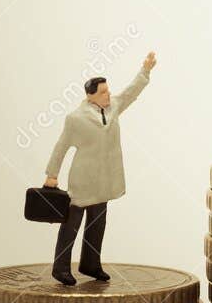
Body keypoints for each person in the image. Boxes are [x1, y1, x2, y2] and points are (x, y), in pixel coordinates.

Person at [42, 51, 156, 286]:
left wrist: (145, 70)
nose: (108, 94)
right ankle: (60, 267)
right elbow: (61, 147)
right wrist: (52, 175)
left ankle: (91, 264)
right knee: (71, 225)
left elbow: (131, 92)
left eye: (108, 90)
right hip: (82, 182)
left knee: (97, 224)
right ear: (90, 96)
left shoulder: (113, 107)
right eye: (103, 92)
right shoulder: (75, 119)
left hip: (104, 181)